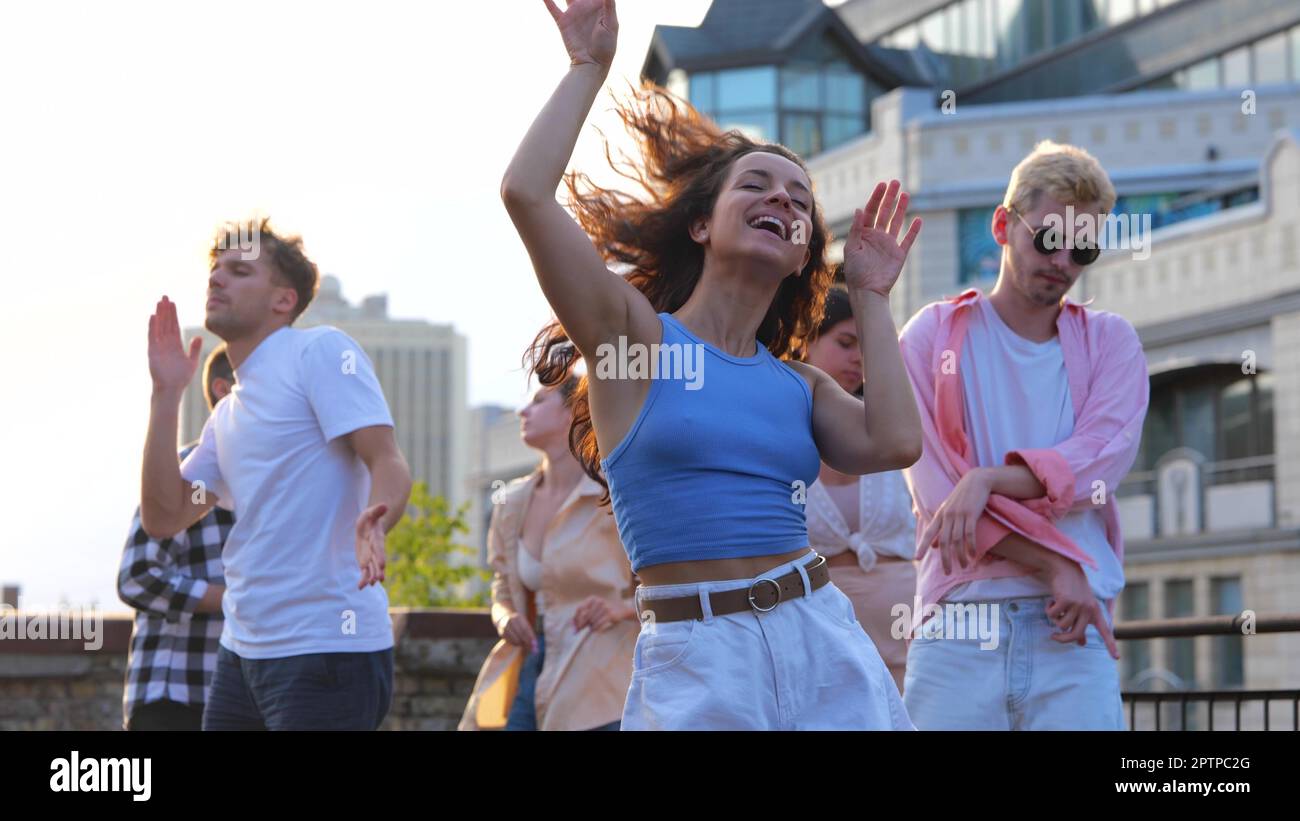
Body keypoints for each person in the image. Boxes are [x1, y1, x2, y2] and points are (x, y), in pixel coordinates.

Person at [504, 0, 923, 729]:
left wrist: (873, 296)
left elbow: (895, 442)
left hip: (820, 632)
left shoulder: (800, 383)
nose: (780, 199)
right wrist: (585, 69)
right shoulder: (634, 341)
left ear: (800, 256)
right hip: (699, 655)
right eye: (755, 185)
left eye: (798, 201)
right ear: (701, 223)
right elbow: (525, 195)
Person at [898, 140, 1149, 730]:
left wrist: (987, 480)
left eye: (1082, 247)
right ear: (1003, 225)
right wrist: (1055, 566)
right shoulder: (931, 338)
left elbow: (1097, 466)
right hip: (963, 623)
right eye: (1047, 237)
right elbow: (940, 501)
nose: (1062, 259)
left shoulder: (1111, 342)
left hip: (1069, 630)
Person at [140, 218, 412, 730]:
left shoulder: (320, 352)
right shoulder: (226, 416)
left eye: (239, 271)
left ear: (283, 301)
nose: (217, 279)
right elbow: (165, 515)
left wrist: (377, 521)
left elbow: (387, 460)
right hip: (240, 652)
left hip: (327, 647)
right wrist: (166, 396)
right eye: (215, 270)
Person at [460, 377, 638, 731]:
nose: (522, 411)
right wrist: (504, 616)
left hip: (601, 675)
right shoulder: (511, 502)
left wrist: (617, 610)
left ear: (577, 410)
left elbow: (663, 584)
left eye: (539, 402)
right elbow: (501, 587)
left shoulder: (614, 496)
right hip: (526, 662)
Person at [799, 285, 916, 693]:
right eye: (845, 343)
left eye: (866, 347)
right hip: (819, 659)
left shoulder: (891, 428)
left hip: (910, 650)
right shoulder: (780, 434)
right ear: (804, 341)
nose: (859, 359)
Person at [118, 345, 234, 731]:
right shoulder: (190, 479)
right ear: (222, 389)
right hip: (174, 698)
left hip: (243, 696)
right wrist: (233, 599)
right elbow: (138, 577)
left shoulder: (274, 480)